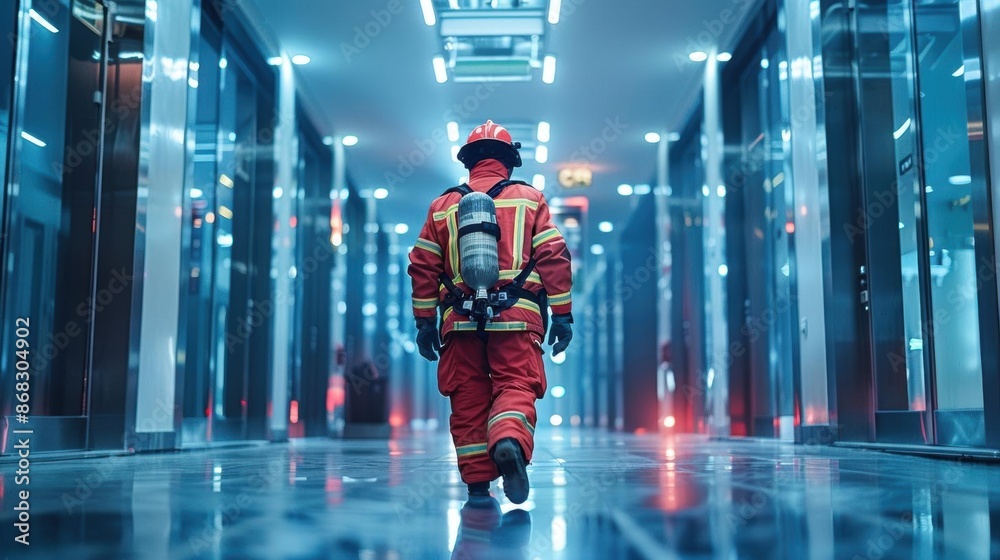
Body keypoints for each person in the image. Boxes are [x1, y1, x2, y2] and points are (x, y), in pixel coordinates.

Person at [407, 120, 573, 505]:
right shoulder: (530, 199)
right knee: (516, 384)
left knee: (467, 396)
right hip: (517, 319)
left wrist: (424, 322)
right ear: (509, 162)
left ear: (468, 162)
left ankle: (478, 482)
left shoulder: (442, 205)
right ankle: (509, 440)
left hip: (458, 321)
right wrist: (563, 315)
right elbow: (554, 256)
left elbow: (422, 266)